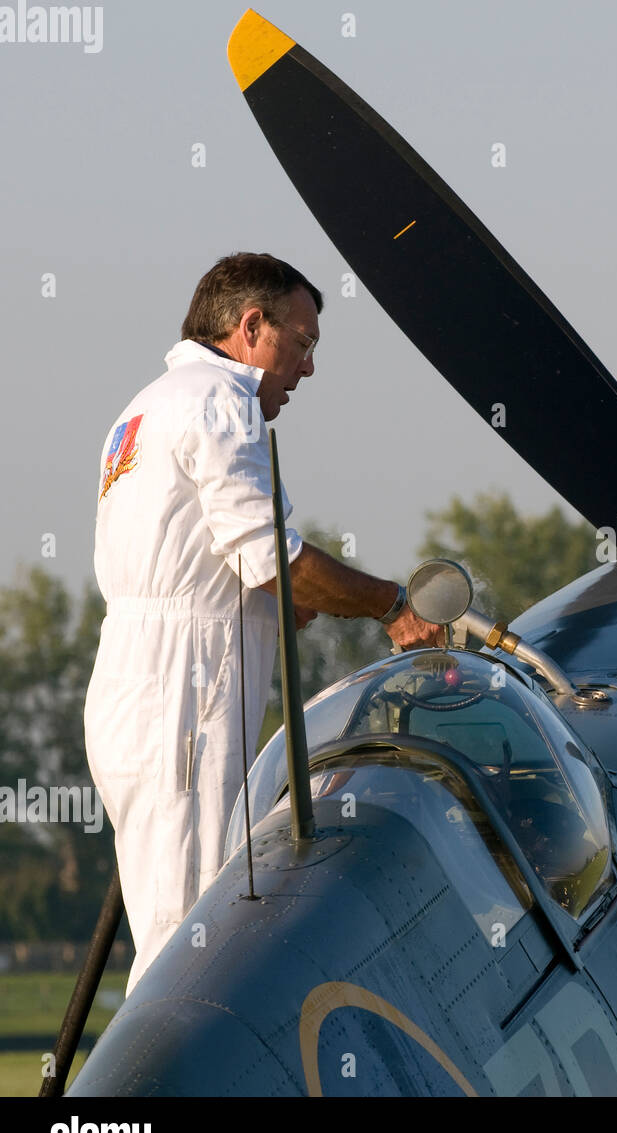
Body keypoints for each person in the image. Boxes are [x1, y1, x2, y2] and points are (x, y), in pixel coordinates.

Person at [84, 252, 444, 995]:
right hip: (182, 695)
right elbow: (269, 557)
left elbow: (209, 559)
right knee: (187, 952)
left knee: (180, 929)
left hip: (134, 683)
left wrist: (275, 597)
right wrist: (391, 603)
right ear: (251, 326)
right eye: (303, 343)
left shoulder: (147, 403)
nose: (307, 368)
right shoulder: (223, 397)